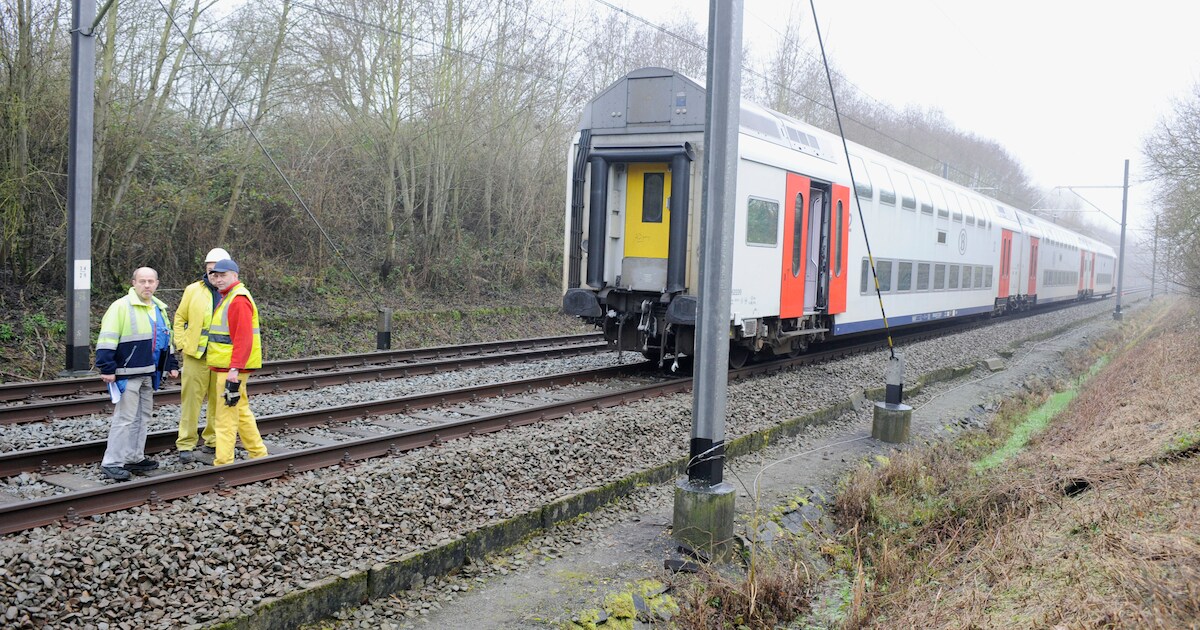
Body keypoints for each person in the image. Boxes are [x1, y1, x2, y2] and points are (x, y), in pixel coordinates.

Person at [96, 267, 180, 481]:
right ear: (133, 283)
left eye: (151, 281)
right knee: (124, 418)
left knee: (142, 417)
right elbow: (107, 338)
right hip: (127, 373)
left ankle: (134, 457)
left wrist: (171, 364)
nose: (147, 285)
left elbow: (165, 341)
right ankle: (112, 462)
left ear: (157, 283)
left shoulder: (159, 309)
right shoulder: (120, 307)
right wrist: (107, 368)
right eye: (142, 281)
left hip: (149, 373)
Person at [204, 258, 269, 466]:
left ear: (235, 276)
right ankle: (258, 454)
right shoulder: (230, 296)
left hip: (230, 368)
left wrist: (234, 368)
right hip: (229, 366)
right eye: (215, 275)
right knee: (240, 410)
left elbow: (243, 337)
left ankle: (223, 463)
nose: (218, 279)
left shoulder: (237, 299)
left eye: (223, 275)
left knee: (224, 417)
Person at [173, 247, 230, 463]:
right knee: (191, 401)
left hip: (221, 357)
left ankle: (213, 440)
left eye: (219, 270)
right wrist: (181, 344)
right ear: (205, 270)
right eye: (210, 270)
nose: (214, 274)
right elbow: (179, 318)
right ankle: (186, 444)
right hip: (196, 355)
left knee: (218, 401)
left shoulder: (234, 294)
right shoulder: (193, 290)